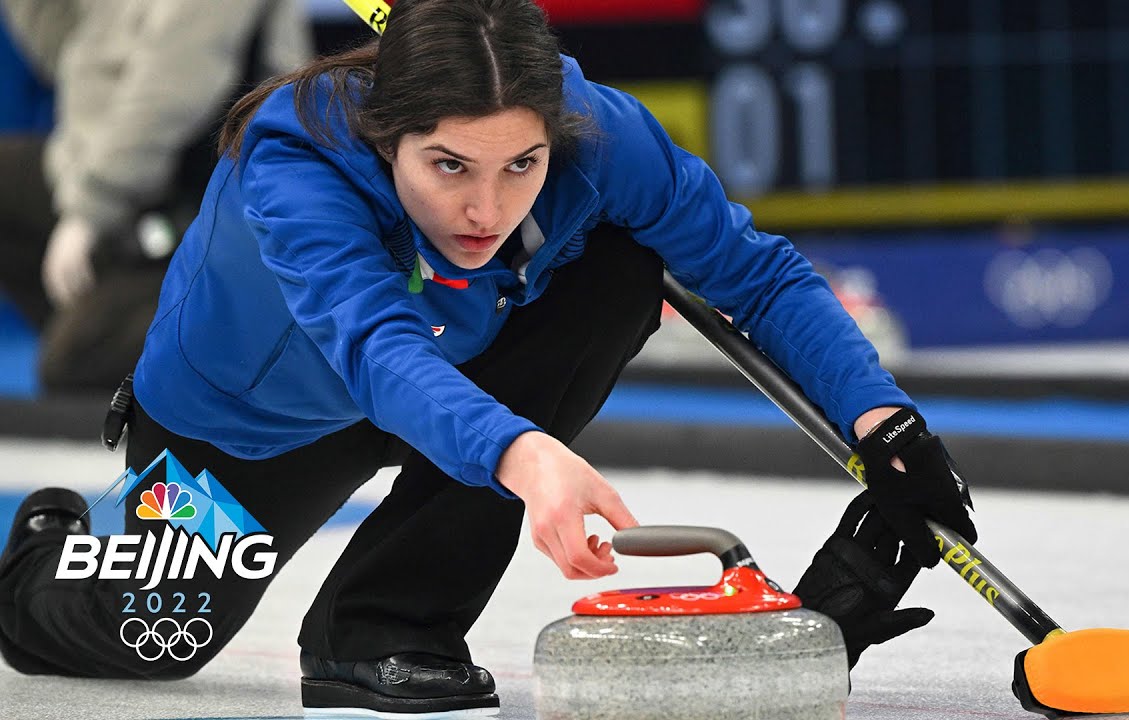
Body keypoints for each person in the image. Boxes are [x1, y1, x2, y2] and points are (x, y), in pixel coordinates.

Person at [0, 0, 979, 716]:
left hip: (457, 378)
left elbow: (756, 276)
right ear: (389, 138)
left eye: (522, 165)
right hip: (247, 426)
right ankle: (44, 551)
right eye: (449, 167)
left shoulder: (603, 136)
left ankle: (384, 630)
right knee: (148, 637)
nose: (486, 208)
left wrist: (879, 422)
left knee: (623, 267)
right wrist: (524, 452)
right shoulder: (294, 156)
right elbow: (375, 350)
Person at [0, 0, 311, 391]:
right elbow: (76, 58)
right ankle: (103, 311)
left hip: (200, 211)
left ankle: (242, 347)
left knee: (73, 363)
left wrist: (88, 211)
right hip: (112, 174)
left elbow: (168, 98)